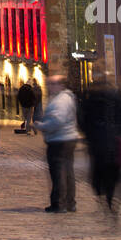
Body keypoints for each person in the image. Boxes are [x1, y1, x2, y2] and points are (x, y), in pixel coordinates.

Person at [80, 69, 121, 213]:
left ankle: (103, 197)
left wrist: (88, 136)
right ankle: (110, 198)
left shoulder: (90, 98)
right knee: (113, 171)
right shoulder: (115, 97)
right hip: (113, 141)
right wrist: (120, 132)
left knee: (99, 171)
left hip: (97, 142)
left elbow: (83, 119)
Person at [34, 74, 79, 213]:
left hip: (60, 140)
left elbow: (57, 121)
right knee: (67, 172)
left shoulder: (61, 100)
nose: (49, 87)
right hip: (67, 138)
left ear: (60, 85)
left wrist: (41, 126)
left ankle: (59, 203)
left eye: (52, 84)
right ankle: (70, 202)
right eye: (49, 84)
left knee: (58, 172)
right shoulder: (64, 98)